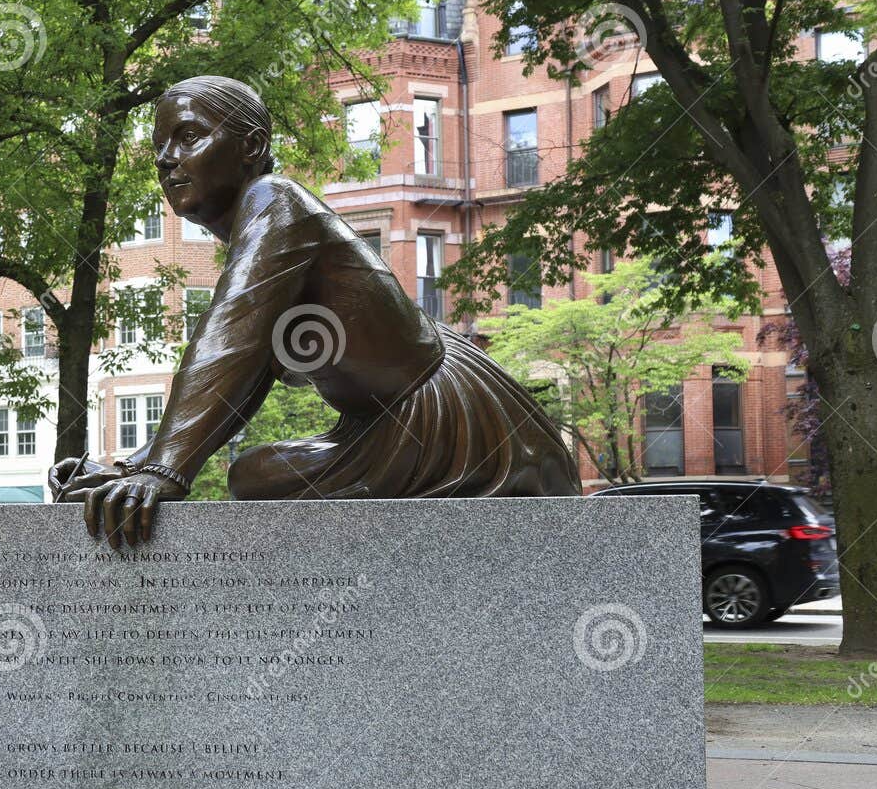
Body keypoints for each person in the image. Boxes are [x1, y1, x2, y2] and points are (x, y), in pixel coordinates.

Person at [50, 75, 579, 545]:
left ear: (252, 145)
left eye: (188, 137)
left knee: (253, 476)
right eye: (159, 146)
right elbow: (245, 370)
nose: (167, 159)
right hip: (379, 422)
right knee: (257, 473)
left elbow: (228, 343)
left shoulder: (275, 201)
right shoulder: (261, 224)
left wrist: (165, 471)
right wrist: (132, 465)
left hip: (438, 420)